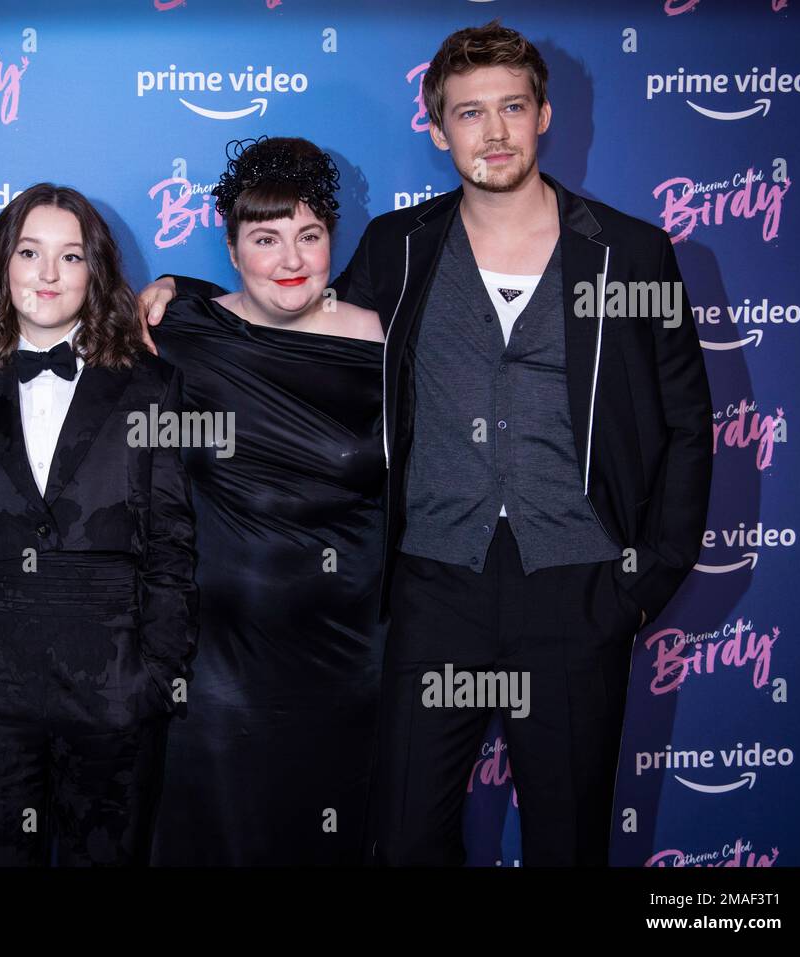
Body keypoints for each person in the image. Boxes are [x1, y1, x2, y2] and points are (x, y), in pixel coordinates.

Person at [138, 21, 714, 866]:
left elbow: (687, 424)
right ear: (439, 130)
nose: (494, 132)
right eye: (470, 113)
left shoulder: (629, 255)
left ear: (544, 115)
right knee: (405, 839)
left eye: (512, 107)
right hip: (432, 591)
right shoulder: (399, 250)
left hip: (578, 591)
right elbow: (294, 314)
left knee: (569, 840)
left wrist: (642, 586)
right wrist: (177, 292)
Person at [0, 138, 389, 866]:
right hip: (189, 666)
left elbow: (170, 533)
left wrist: (148, 675)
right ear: (233, 246)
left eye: (309, 236)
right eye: (266, 238)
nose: (290, 257)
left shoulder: (380, 340)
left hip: (337, 648)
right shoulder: (170, 333)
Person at [0, 183, 197, 866]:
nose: (48, 274)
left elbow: (173, 538)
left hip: (114, 678)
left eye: (70, 255)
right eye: (30, 252)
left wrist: (154, 675)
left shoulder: (151, 383)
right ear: (3, 262)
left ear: (96, 270)